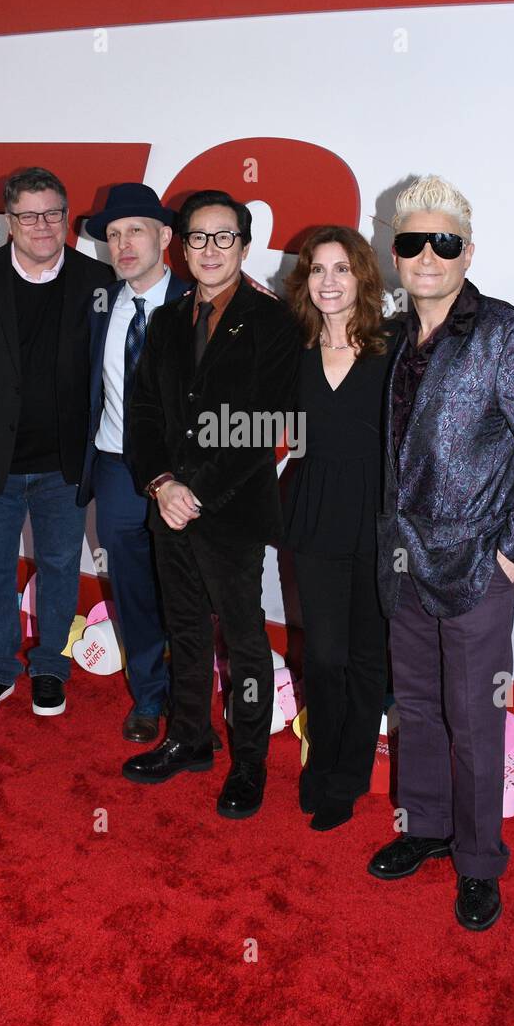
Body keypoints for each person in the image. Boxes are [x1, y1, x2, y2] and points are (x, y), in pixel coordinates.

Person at [368, 175, 514, 930]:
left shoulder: (507, 335)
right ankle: (425, 829)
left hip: (476, 568)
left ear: (467, 252)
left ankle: (479, 860)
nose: (427, 255)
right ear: (394, 254)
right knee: (420, 709)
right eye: (412, 242)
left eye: (445, 242)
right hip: (402, 560)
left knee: (475, 717)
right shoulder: (395, 337)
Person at [124, 189, 300, 819]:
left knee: (245, 639)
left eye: (223, 237)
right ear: (181, 246)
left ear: (245, 247)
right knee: (185, 629)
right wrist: (163, 485)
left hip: (230, 510)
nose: (209, 249)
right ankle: (189, 737)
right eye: (197, 237)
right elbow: (143, 414)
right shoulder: (167, 321)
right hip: (167, 504)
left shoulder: (275, 323)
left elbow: (263, 424)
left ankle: (249, 761)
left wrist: (194, 491)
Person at [0, 167, 114, 721]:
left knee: (59, 566)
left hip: (63, 465)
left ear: (66, 216)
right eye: (29, 215)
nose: (43, 225)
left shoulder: (96, 281)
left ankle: (51, 668)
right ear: (9, 221)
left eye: (53, 213)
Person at [283, 227, 399, 830]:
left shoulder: (394, 346)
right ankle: (319, 759)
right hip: (314, 512)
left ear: (362, 278)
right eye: (317, 270)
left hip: (379, 519)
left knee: (365, 658)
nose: (328, 281)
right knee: (323, 656)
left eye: (341, 269)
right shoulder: (292, 348)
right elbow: (252, 425)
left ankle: (348, 776)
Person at [78, 183, 188, 742]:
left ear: (165, 237)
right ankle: (148, 696)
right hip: (117, 467)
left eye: (135, 231)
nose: (123, 244)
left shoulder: (201, 301)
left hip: (183, 475)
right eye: (114, 235)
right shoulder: (98, 303)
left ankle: (190, 703)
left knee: (188, 587)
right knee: (133, 587)